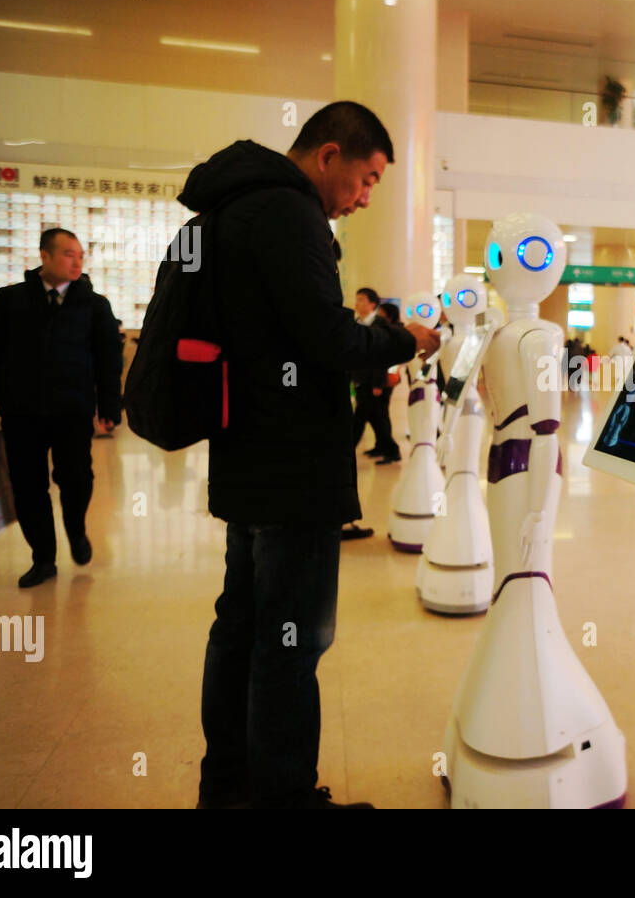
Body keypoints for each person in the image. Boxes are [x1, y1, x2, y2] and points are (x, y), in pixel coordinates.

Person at [181, 101, 439, 810]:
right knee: (291, 640)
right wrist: (402, 339)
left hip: (247, 457)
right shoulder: (291, 214)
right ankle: (284, 795)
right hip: (292, 469)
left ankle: (227, 782)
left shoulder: (231, 205)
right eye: (368, 179)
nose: (363, 197)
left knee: (241, 624)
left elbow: (286, 334)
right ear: (330, 156)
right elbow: (330, 343)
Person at [0, 228, 123, 587]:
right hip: (22, 411)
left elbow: (108, 360)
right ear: (45, 256)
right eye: (68, 254)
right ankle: (43, 558)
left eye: (80, 255)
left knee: (77, 479)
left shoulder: (95, 305)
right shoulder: (9, 300)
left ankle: (77, 530)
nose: (76, 261)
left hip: (73, 410)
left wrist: (109, 404)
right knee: (27, 486)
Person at [342, 286, 382, 541]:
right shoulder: (354, 323)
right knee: (370, 419)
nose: (357, 303)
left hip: (368, 382)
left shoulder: (375, 325)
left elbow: (378, 356)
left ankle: (385, 446)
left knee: (371, 419)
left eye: (361, 299)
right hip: (357, 383)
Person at [369, 300, 404, 464]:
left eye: (381, 314)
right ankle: (382, 446)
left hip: (385, 381)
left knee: (380, 415)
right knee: (378, 415)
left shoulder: (393, 332)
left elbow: (387, 360)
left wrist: (379, 383)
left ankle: (391, 449)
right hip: (383, 380)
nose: (378, 317)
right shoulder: (390, 331)